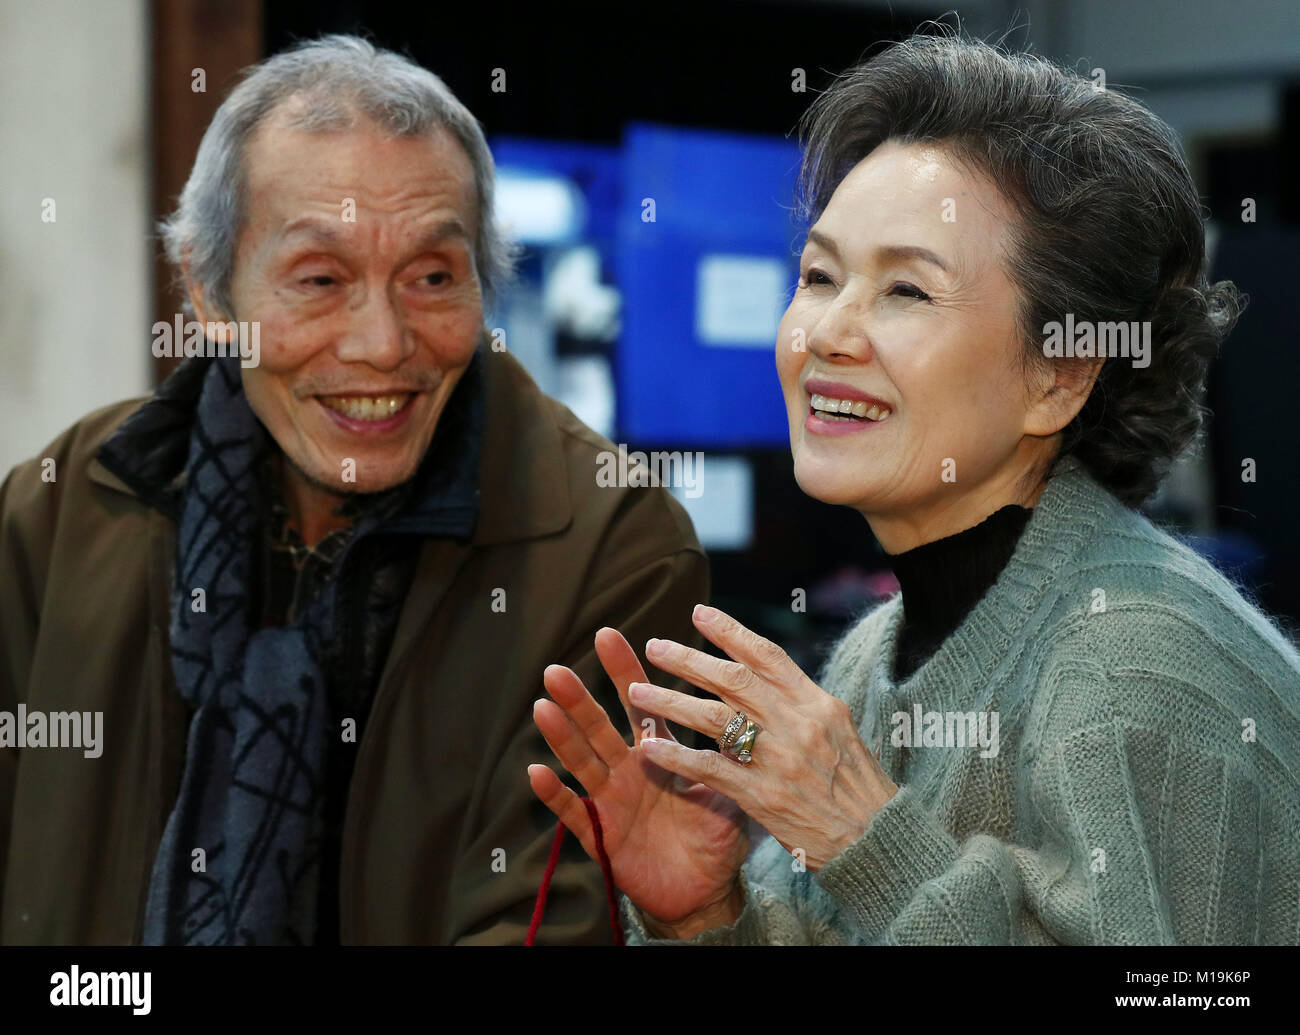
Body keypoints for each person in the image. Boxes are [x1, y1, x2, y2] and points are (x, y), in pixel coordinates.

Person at [529, 30, 1300, 945]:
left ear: (1059, 376)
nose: (828, 331)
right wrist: (709, 914)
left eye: (907, 292)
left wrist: (867, 838)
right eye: (818, 275)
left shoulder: (1137, 672)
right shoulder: (874, 655)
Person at [0, 34, 708, 945]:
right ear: (209, 293)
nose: (382, 342)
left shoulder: (610, 546)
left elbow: (551, 916)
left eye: (432, 278)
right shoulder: (56, 517)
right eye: (321, 278)